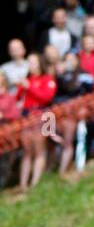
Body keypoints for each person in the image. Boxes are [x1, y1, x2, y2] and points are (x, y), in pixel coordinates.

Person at [17, 53, 56, 191]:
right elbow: (18, 98)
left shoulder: (47, 79)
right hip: (26, 117)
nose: (31, 65)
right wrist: (23, 87)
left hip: (41, 116)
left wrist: (29, 87)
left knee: (39, 150)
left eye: (33, 62)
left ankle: (35, 183)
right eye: (29, 62)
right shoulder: (27, 79)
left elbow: (46, 97)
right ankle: (23, 185)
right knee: (27, 151)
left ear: (40, 63)